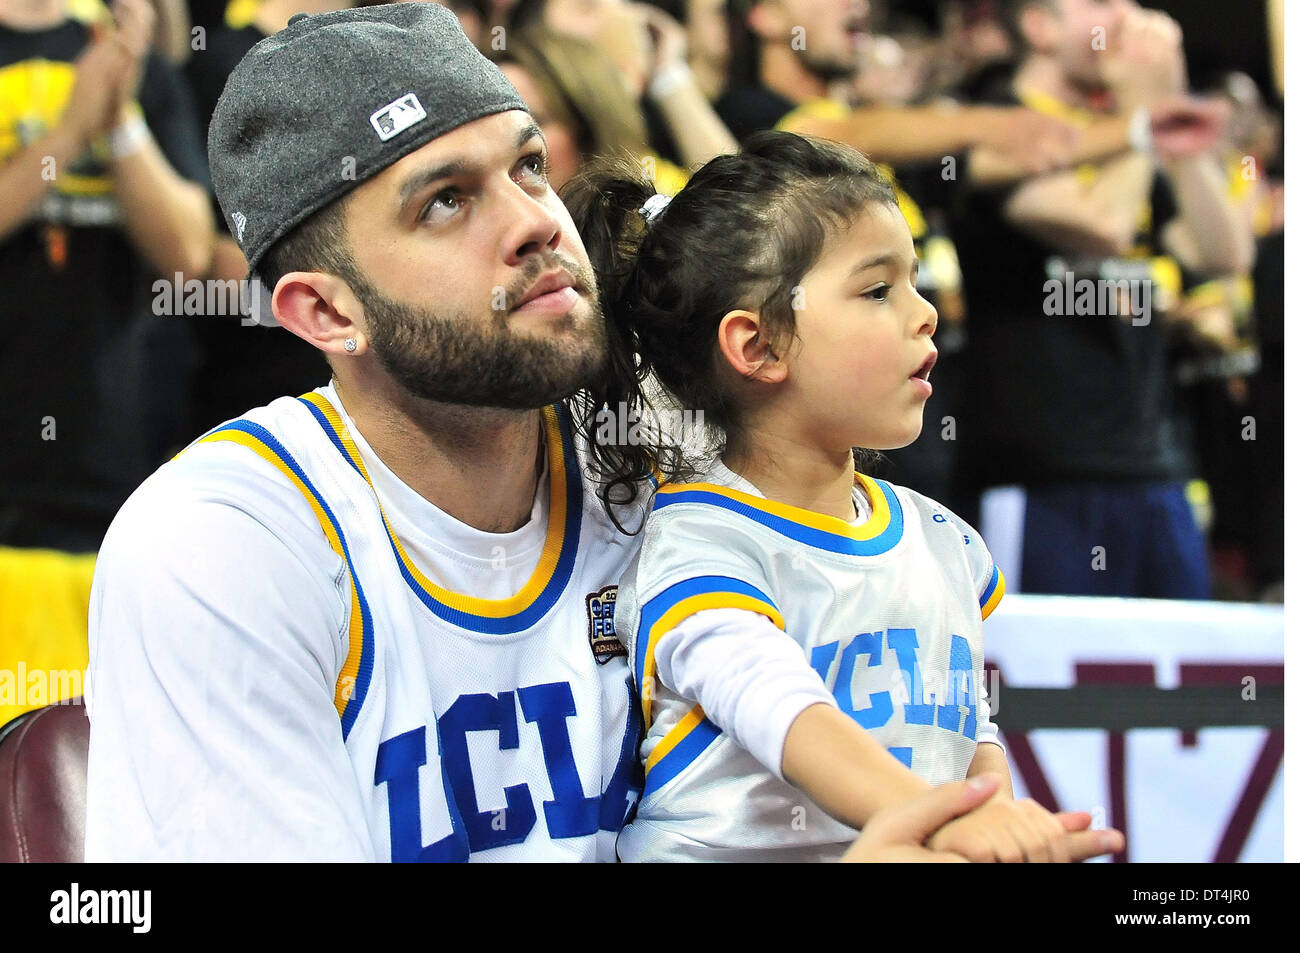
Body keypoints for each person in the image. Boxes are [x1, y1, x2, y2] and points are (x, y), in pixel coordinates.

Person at [84, 2, 643, 862]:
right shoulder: (222, 540)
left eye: (528, 166)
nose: (536, 220)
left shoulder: (665, 460)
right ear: (326, 312)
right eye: (446, 202)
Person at [563, 131, 1124, 861]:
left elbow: (969, 730)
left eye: (916, 281)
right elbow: (781, 708)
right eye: (878, 289)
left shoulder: (944, 539)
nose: (924, 313)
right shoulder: (698, 539)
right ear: (759, 345)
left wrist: (997, 830)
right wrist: (942, 818)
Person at [950, 0, 1254, 597]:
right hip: (1040, 471)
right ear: (1039, 26)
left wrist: (1175, 125)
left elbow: (1224, 252)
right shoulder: (995, 118)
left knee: (1179, 681)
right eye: (1098, 2)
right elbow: (1101, 228)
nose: (1123, 16)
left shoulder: (1126, 136)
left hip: (1155, 465)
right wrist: (1146, 114)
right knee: (1051, 681)